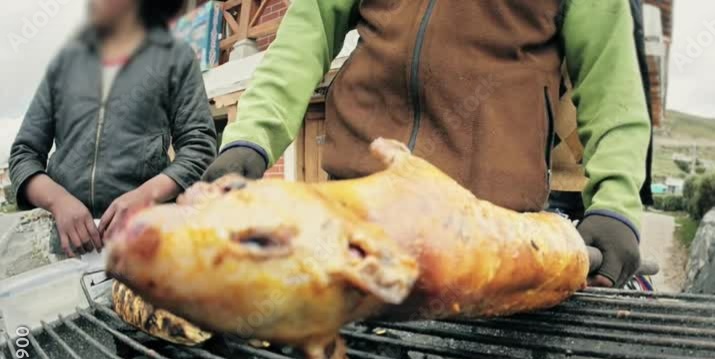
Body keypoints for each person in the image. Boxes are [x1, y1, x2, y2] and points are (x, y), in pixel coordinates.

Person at [201, 0, 651, 288]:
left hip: (485, 235)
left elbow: (611, 84)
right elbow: (305, 36)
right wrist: (251, 139)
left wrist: (615, 206)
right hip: (355, 212)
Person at [8, 0, 217, 257]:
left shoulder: (176, 57)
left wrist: (145, 196)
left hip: (143, 243)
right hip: (65, 248)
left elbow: (199, 148)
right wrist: (58, 200)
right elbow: (24, 154)